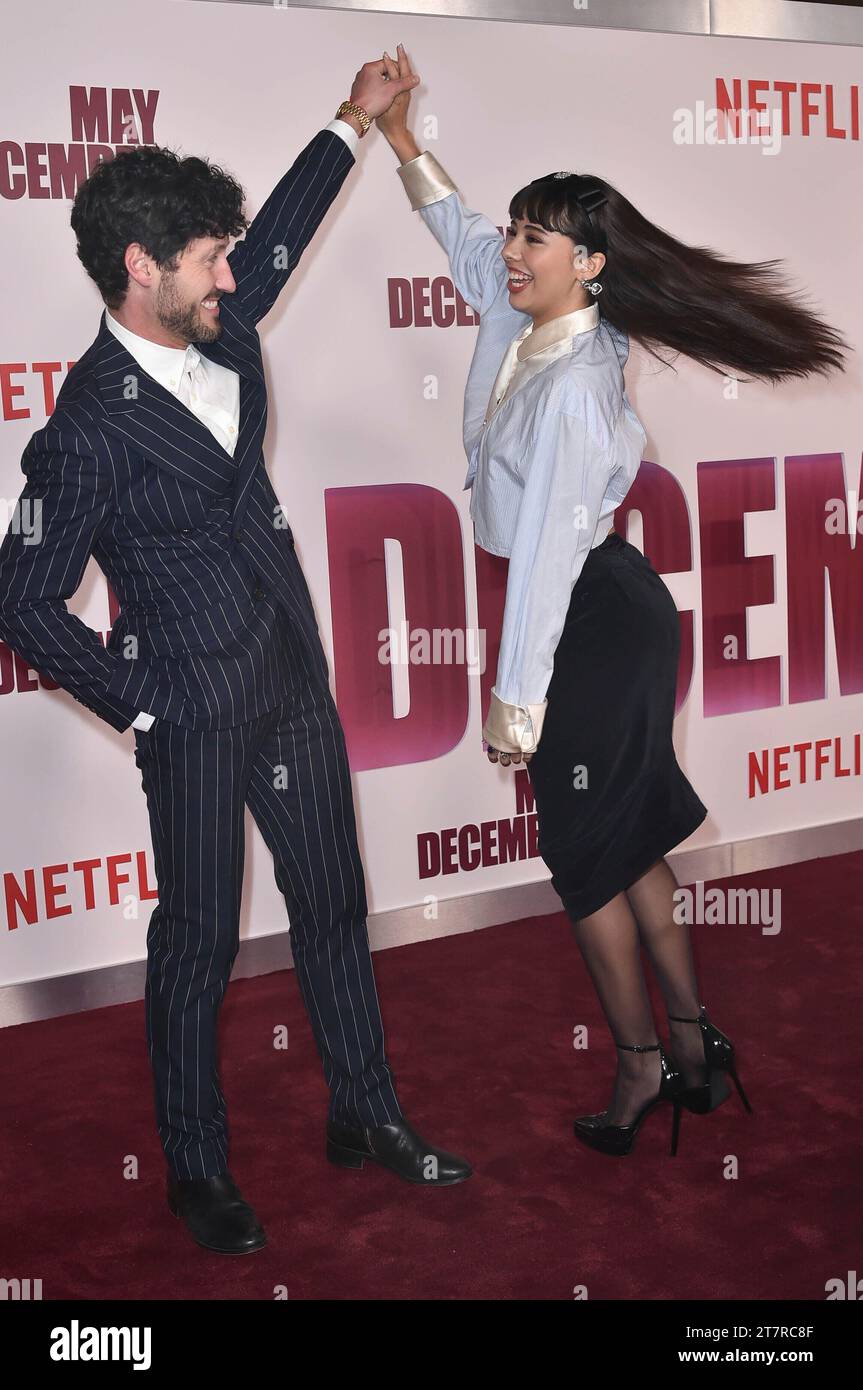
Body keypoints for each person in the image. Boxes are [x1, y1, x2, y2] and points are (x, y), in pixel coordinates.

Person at [0, 53, 473, 1256]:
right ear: (140, 271)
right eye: (210, 257)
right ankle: (194, 1168)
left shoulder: (221, 315)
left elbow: (285, 234)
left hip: (292, 686)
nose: (235, 272)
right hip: (191, 713)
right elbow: (24, 600)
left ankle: (366, 1111)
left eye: (228, 253)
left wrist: (353, 121)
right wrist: (142, 705)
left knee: (333, 906)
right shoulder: (83, 434)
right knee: (198, 942)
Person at [378, 44, 849, 1156]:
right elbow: (458, 235)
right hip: (601, 605)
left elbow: (541, 557)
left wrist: (513, 705)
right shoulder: (520, 316)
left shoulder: (580, 389)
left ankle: (640, 1063)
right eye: (514, 229)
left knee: (587, 858)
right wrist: (402, 142)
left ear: (585, 263)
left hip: (584, 621)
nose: (507, 246)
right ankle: (690, 1047)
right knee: (629, 839)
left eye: (532, 237)